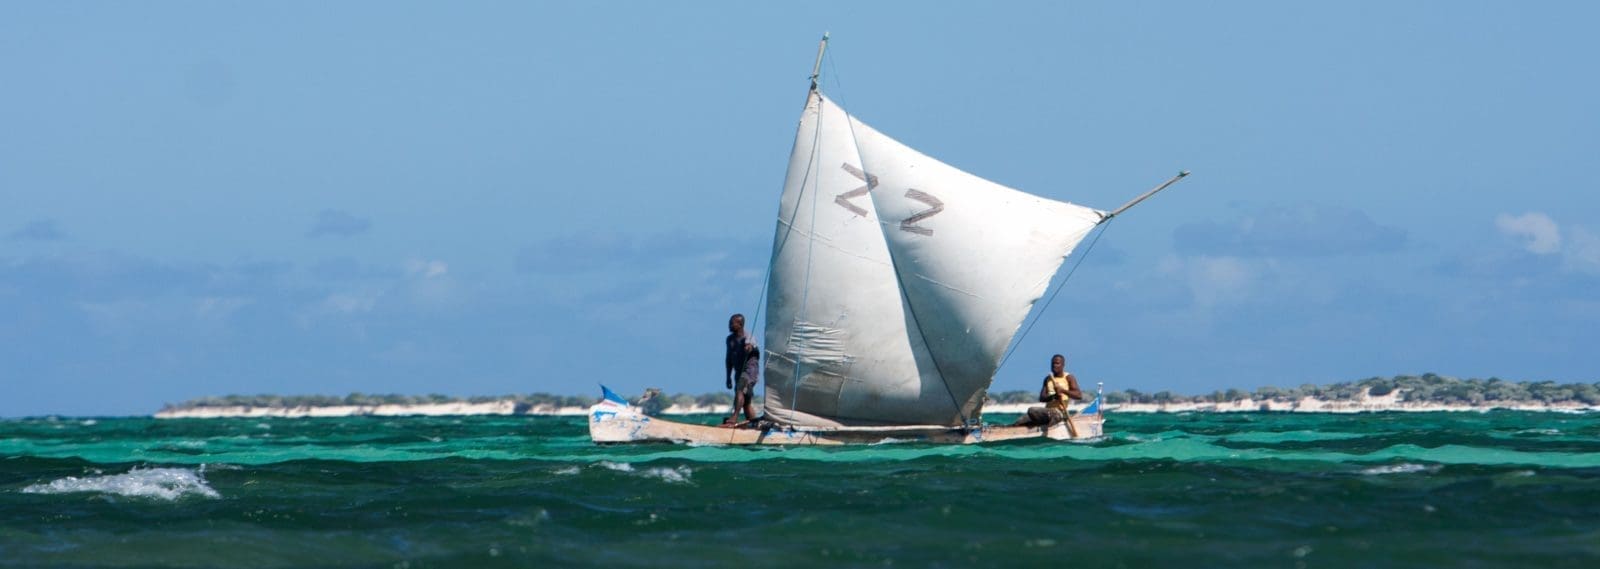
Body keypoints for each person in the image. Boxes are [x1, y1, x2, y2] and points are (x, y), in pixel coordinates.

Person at [1012, 354, 1084, 428]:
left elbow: (1078, 395)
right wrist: (1054, 397)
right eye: (1052, 363)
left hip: (1059, 412)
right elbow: (1042, 398)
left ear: (1063, 365)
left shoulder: (1069, 377)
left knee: (1032, 410)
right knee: (1019, 421)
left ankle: (1054, 421)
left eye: (1057, 363)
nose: (1054, 365)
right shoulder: (1048, 379)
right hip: (1047, 412)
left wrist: (1062, 391)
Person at [723, 313, 760, 426]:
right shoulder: (729, 339)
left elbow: (751, 345)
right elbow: (728, 359)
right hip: (739, 373)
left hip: (750, 371)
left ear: (740, 324)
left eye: (732, 323)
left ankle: (734, 417)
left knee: (740, 390)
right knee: (746, 403)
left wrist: (748, 347)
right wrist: (728, 377)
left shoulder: (748, 337)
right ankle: (755, 424)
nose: (729, 325)